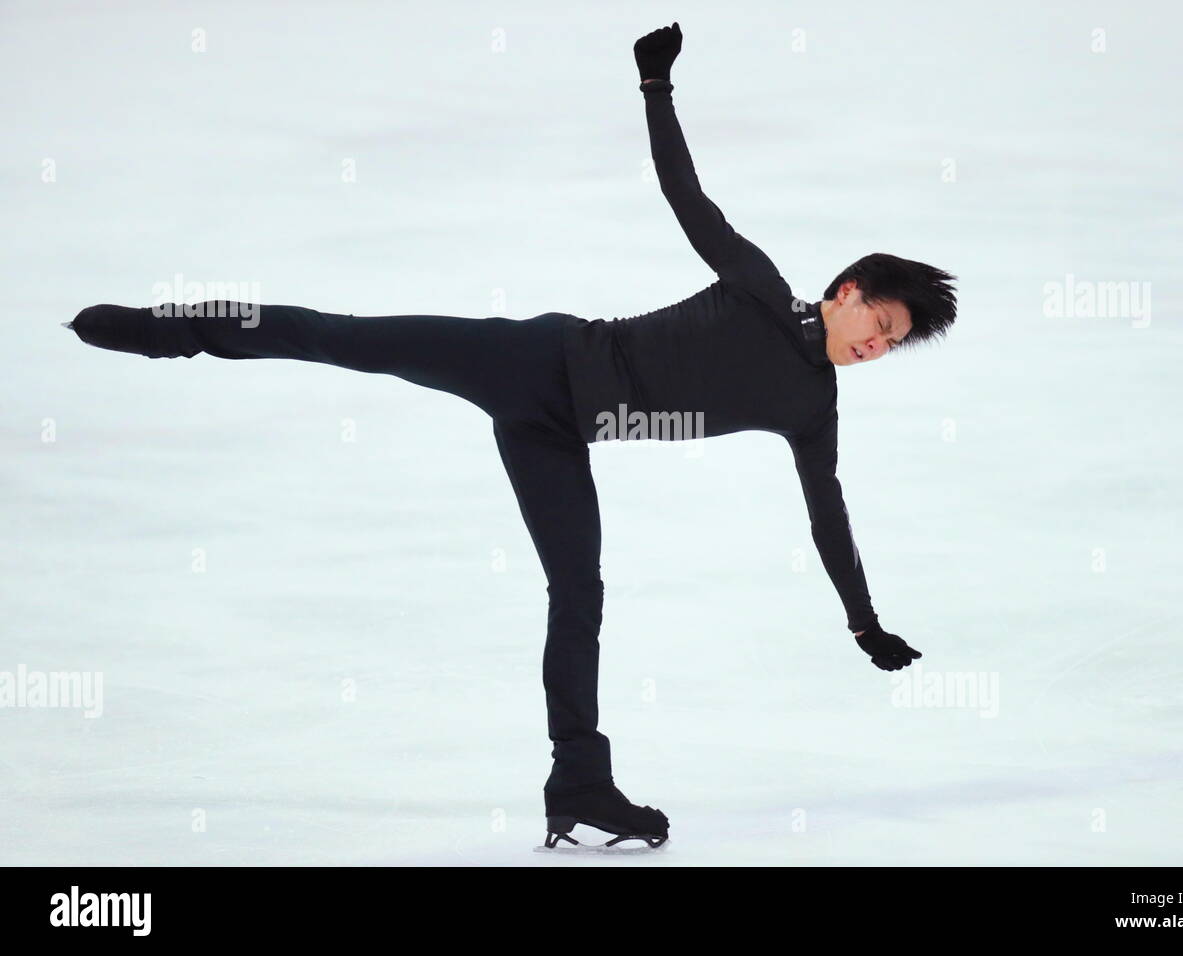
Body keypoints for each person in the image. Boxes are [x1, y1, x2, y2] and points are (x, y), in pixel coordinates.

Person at [66, 22, 956, 851]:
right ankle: (167, 326)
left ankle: (579, 783)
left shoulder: (813, 410)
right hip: (531, 360)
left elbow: (827, 517)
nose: (877, 342)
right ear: (844, 291)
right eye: (877, 317)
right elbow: (688, 197)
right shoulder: (761, 288)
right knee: (341, 337)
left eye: (892, 341)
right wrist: (655, 85)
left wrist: (863, 624)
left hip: (558, 437)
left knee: (579, 593)